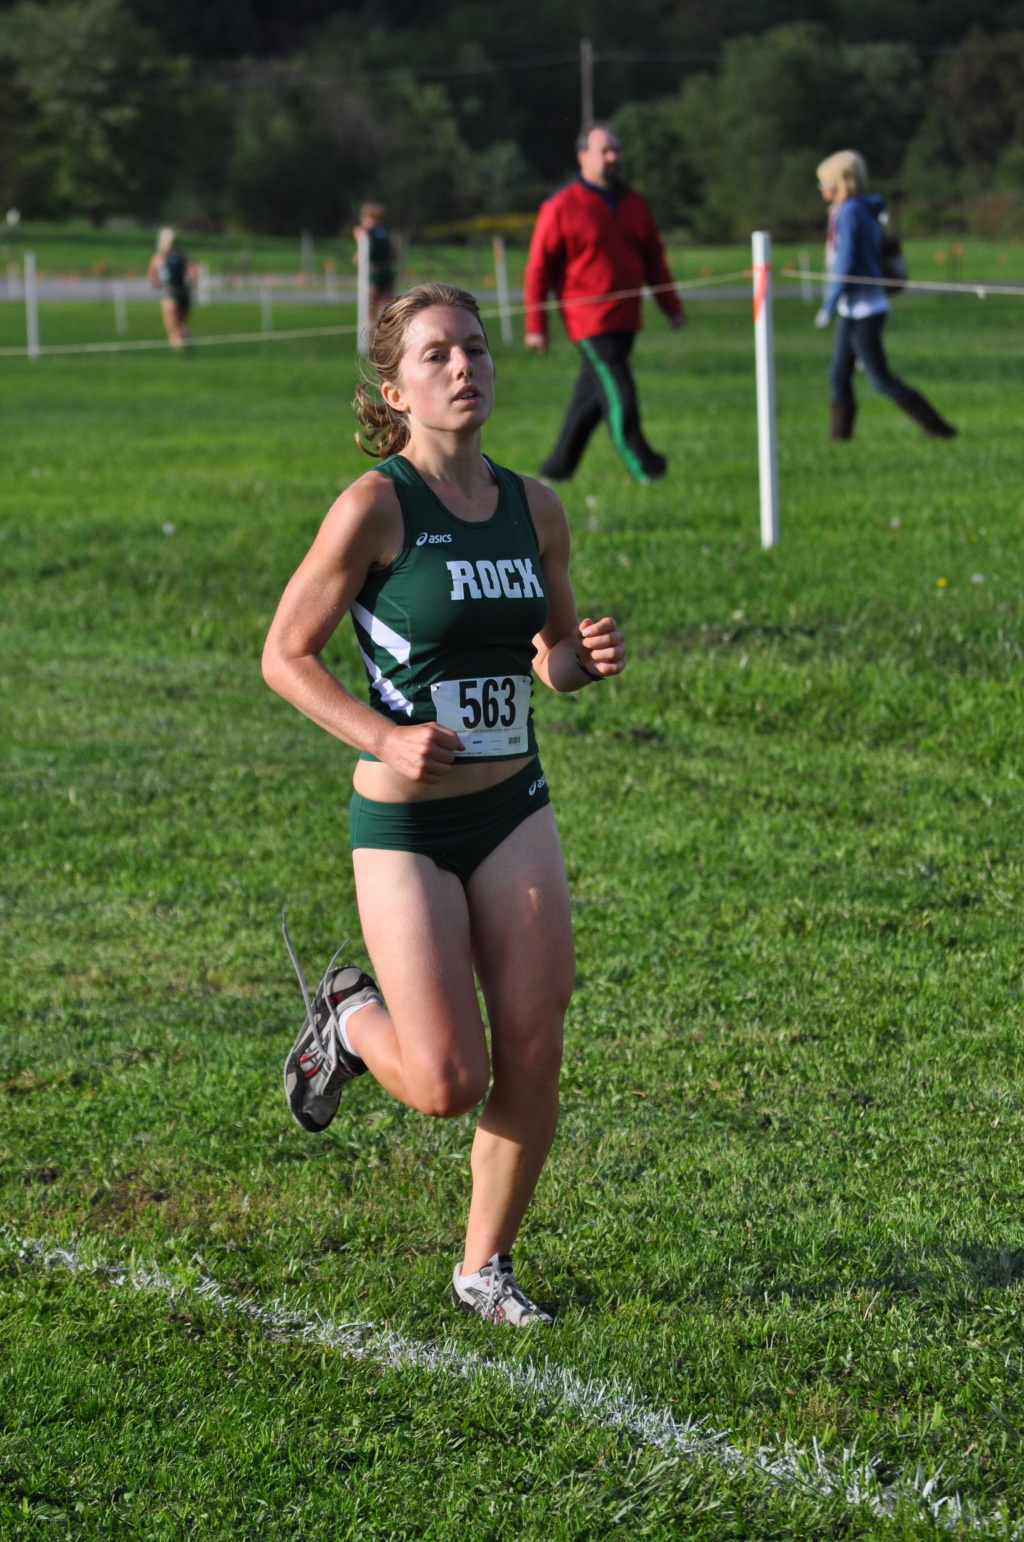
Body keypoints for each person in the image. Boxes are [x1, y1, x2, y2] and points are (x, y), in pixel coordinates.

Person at [261, 282, 625, 1325]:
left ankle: (484, 1266)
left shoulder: (534, 506)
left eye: (475, 348)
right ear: (397, 389)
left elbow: (544, 660)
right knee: (444, 1081)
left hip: (512, 804)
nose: (464, 367)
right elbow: (284, 656)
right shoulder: (374, 506)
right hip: (407, 824)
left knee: (536, 1040)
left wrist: (578, 662)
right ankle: (346, 1012)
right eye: (436, 356)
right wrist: (384, 735)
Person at [523, 123, 685, 484]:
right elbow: (538, 270)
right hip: (589, 322)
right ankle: (646, 466)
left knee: (591, 398)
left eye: (616, 151)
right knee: (619, 394)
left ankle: (557, 469)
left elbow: (654, 259)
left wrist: (670, 306)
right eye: (605, 151)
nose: (613, 158)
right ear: (583, 157)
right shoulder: (561, 206)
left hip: (627, 319)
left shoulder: (633, 202)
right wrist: (536, 327)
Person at [815, 150, 956, 441]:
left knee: (879, 379)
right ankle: (838, 440)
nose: (821, 188)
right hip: (851, 307)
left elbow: (846, 260)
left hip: (865, 307)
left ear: (840, 182)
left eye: (825, 181)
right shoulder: (853, 209)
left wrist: (828, 304)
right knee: (838, 375)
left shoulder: (851, 212)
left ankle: (939, 429)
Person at [147, 228, 196, 352]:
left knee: (171, 324)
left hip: (170, 293)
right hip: (184, 292)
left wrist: (156, 282)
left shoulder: (159, 257)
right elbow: (193, 272)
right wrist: (190, 282)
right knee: (180, 323)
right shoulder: (183, 256)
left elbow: (153, 274)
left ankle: (180, 349)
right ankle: (182, 346)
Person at [352, 202, 395, 322]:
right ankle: (370, 338)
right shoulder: (369, 232)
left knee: (384, 310)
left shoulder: (382, 232)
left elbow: (393, 254)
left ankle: (380, 337)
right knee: (371, 311)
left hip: (380, 272)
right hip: (373, 273)